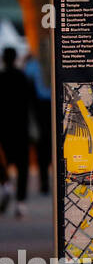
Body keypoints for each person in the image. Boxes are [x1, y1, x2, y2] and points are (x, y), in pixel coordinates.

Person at [0, 47, 34, 218]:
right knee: (23, 167)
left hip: (4, 128)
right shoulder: (22, 78)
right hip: (21, 128)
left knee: (4, 162)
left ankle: (5, 185)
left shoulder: (1, 78)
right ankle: (20, 203)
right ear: (14, 58)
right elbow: (30, 102)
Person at [23, 51, 51, 195]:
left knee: (43, 148)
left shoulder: (32, 65)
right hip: (47, 108)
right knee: (47, 147)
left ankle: (45, 182)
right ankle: (46, 181)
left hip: (40, 109)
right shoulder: (54, 61)